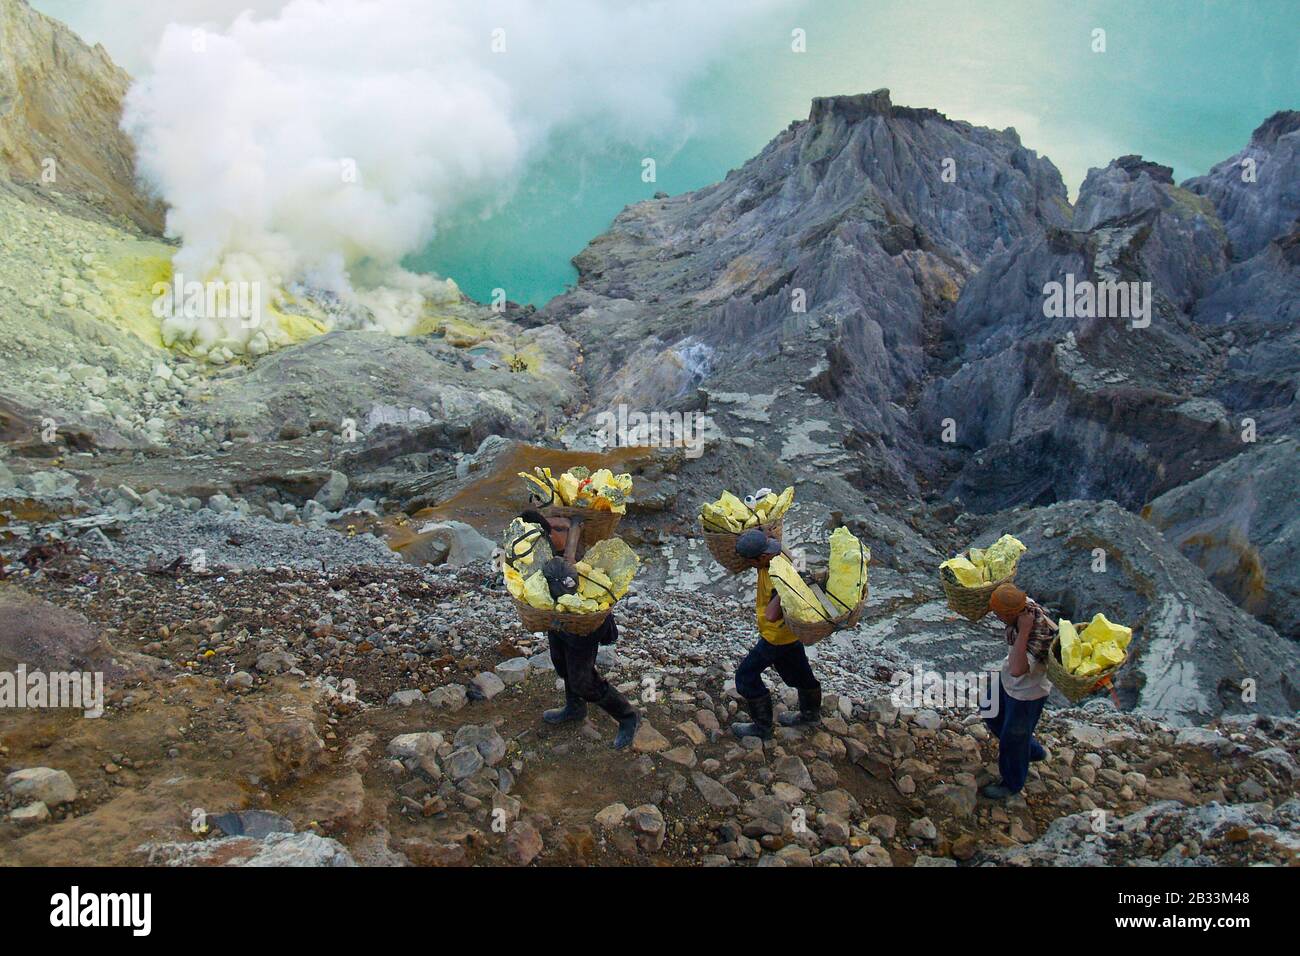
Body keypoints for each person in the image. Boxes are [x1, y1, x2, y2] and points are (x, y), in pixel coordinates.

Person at [520, 510, 640, 750]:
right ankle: (575, 708)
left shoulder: (585, 556)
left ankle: (628, 716)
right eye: (548, 528)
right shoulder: (545, 548)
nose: (550, 534)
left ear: (578, 530)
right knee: (560, 662)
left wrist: (571, 558)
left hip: (584, 623)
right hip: (557, 616)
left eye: (559, 529)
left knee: (582, 679)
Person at [730, 528, 822, 739]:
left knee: (745, 677)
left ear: (761, 557)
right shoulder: (776, 552)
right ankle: (811, 715)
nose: (749, 564)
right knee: (800, 675)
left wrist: (787, 588)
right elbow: (780, 545)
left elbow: (772, 615)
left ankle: (762, 728)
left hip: (775, 637)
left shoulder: (776, 575)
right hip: (791, 634)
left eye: (750, 561)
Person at [980, 583, 1054, 800]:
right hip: (1008, 682)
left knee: (1013, 737)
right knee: (989, 710)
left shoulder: (1038, 631)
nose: (998, 618)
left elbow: (1018, 669)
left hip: (1027, 692)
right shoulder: (1021, 605)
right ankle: (1032, 750)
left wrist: (1024, 631)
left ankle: (1012, 783)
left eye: (1000, 614)